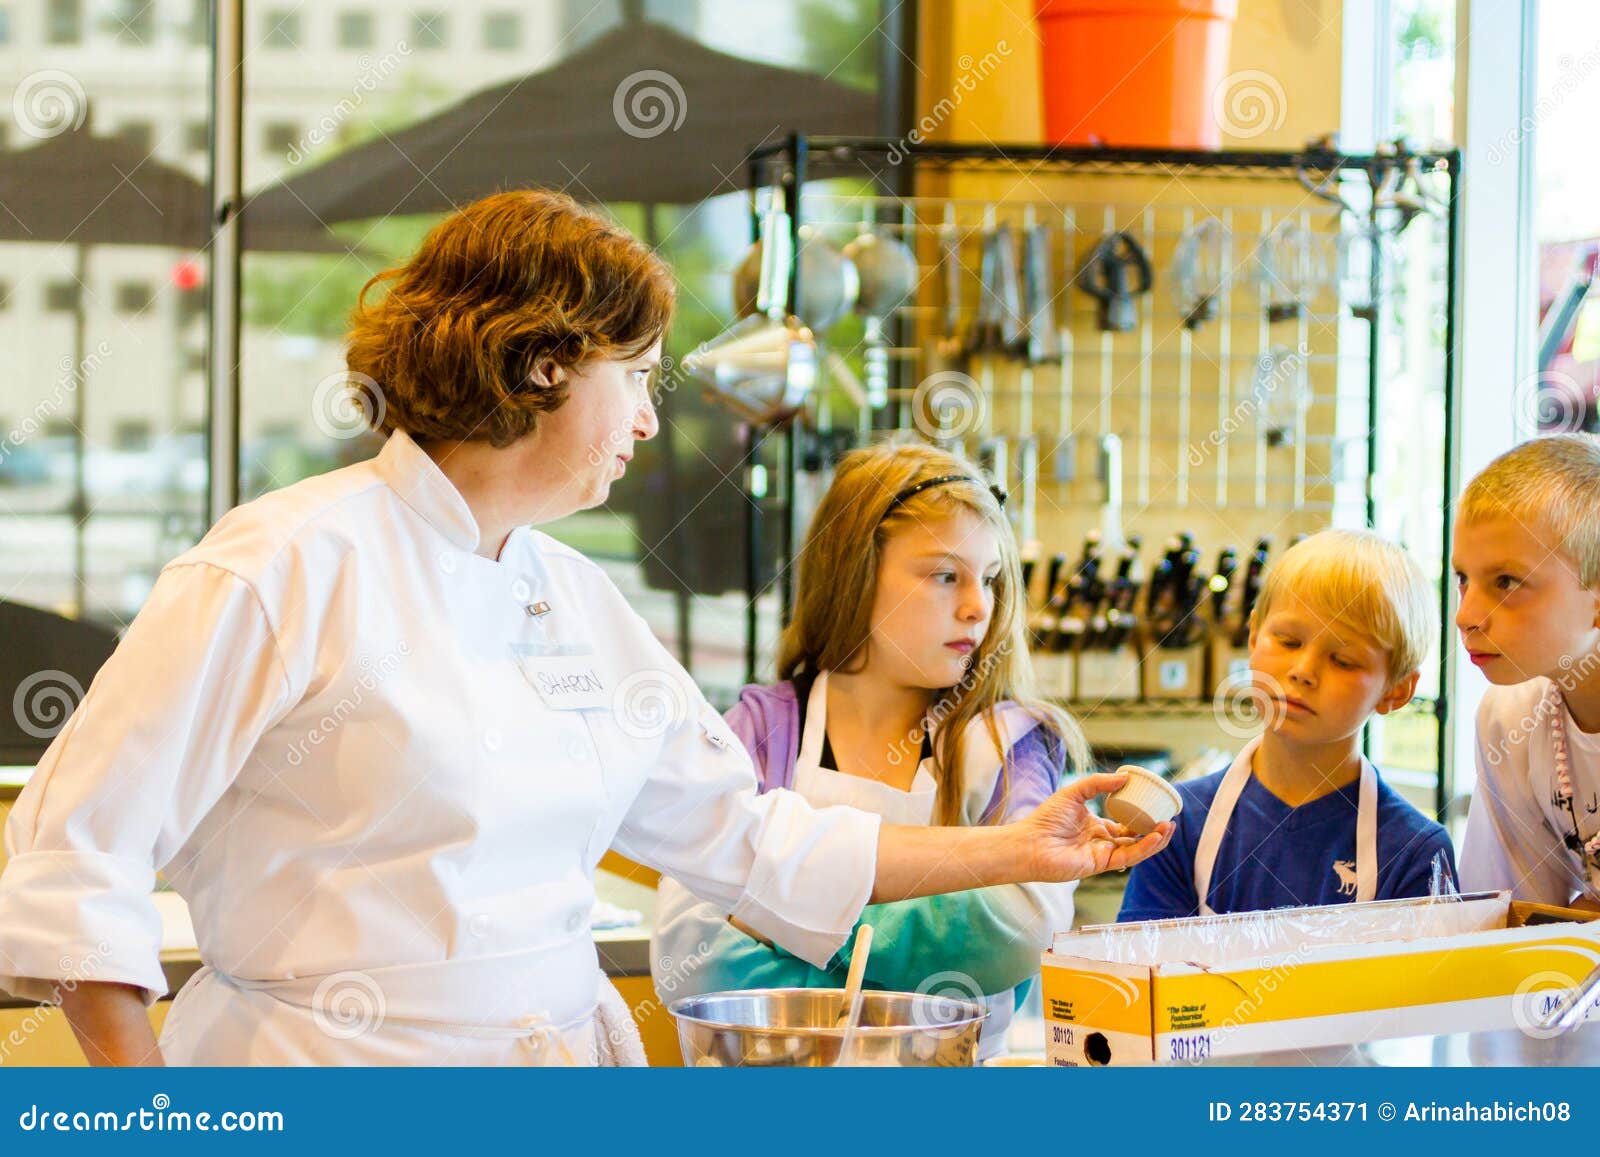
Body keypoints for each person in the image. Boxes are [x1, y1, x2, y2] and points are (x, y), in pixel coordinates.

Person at [0, 190, 1170, 1067]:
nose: (653, 421)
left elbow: (752, 840)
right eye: (640, 375)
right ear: (543, 361)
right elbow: (73, 857)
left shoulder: (573, 595)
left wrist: (1025, 847)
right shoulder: (277, 567)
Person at [651, 444, 1089, 1059]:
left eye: (989, 578)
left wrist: (775, 917)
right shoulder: (763, 730)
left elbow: (1014, 929)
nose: (978, 606)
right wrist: (918, 966)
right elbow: (690, 958)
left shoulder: (1010, 746)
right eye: (945, 575)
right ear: (854, 571)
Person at [1118, 529, 1455, 922]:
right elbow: (1142, 978)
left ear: (1397, 690)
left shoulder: (1413, 853)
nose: (1303, 671)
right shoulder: (1178, 825)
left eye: (1343, 661)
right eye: (1289, 642)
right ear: (1253, 635)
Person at [1456, 435, 1600, 909]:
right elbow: (1517, 923)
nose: (1466, 615)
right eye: (1463, 579)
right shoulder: (1509, 719)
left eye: (1506, 582)